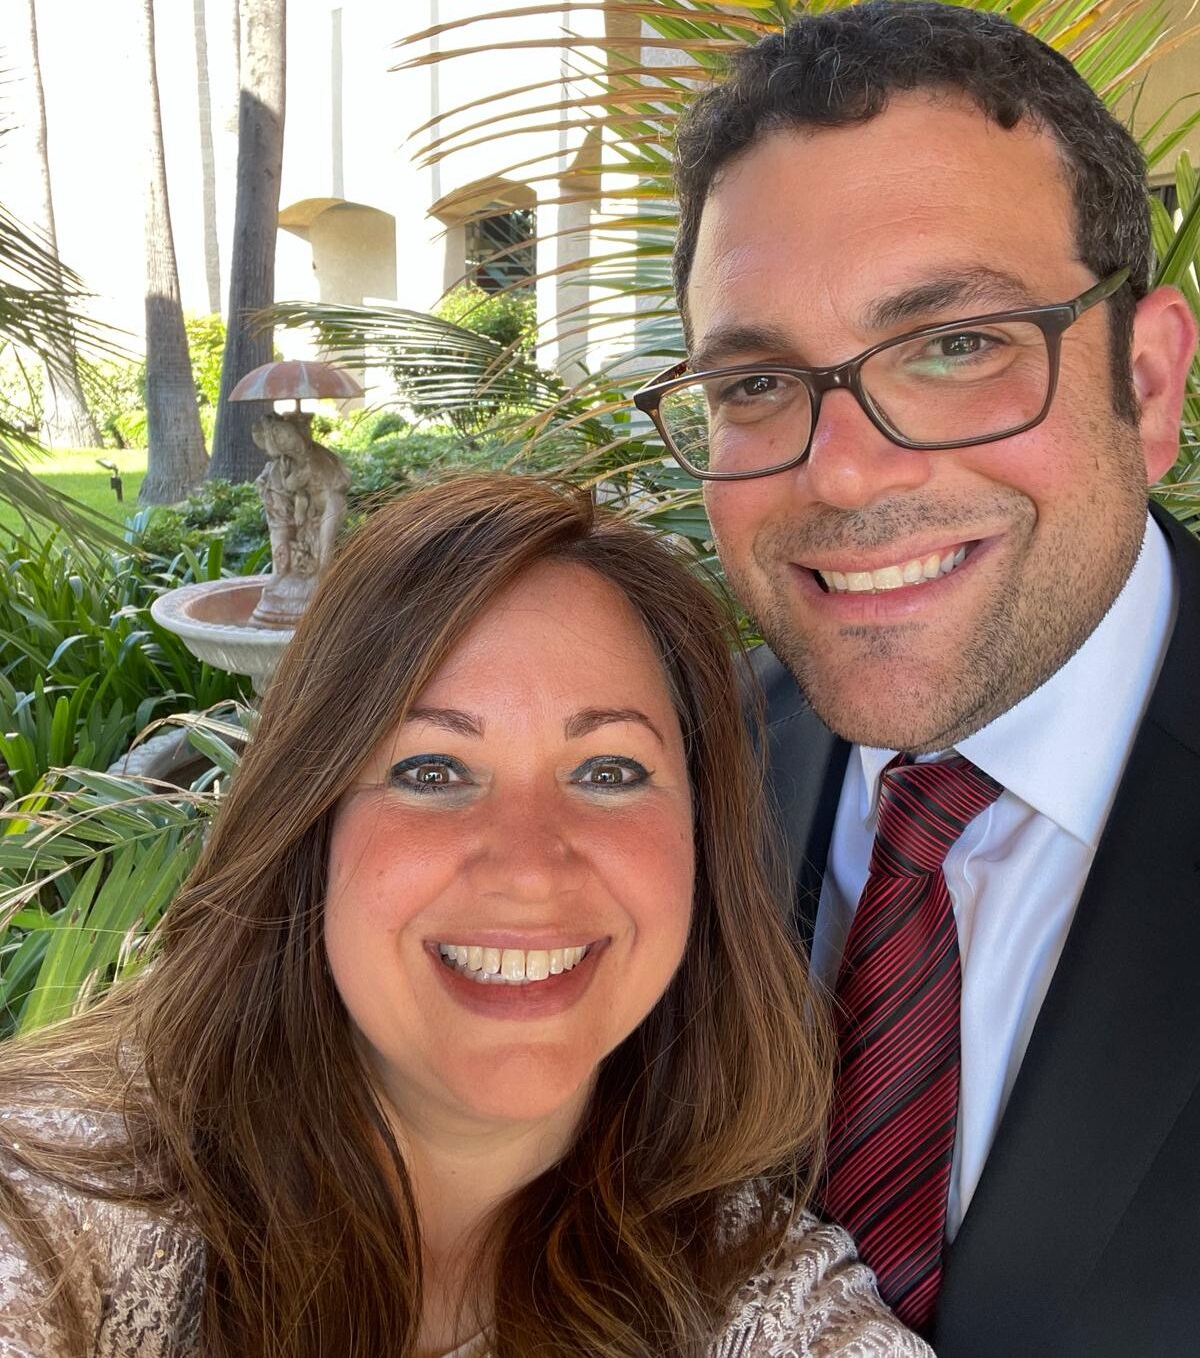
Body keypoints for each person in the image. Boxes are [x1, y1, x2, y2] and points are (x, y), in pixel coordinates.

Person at [0, 473, 930, 1358]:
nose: (528, 868)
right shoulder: (53, 1206)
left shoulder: (765, 1294)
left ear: (701, 838)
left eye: (607, 771)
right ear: (311, 821)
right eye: (431, 771)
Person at [635, 0, 1200, 1357]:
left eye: (955, 345)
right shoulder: (669, 779)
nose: (841, 472)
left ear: (1148, 381)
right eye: (756, 382)